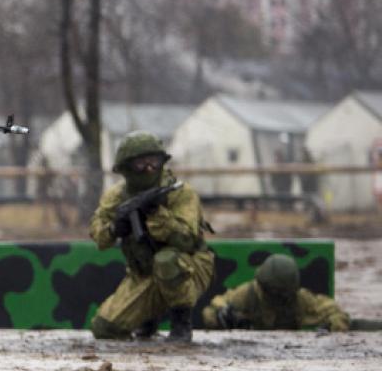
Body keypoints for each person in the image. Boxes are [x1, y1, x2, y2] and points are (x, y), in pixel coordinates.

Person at [89, 131, 215, 342]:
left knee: (166, 261)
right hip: (143, 273)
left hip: (190, 267)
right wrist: (114, 228)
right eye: (141, 164)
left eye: (154, 162)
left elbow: (187, 240)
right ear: (126, 167)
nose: (149, 169)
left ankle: (181, 323)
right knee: (105, 328)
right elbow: (98, 234)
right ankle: (149, 317)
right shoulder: (116, 196)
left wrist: (157, 214)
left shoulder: (180, 193)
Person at [202, 254, 350, 331]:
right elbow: (211, 311)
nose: (277, 297)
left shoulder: (301, 300)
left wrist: (330, 328)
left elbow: (337, 313)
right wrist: (224, 316)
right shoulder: (247, 295)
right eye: (273, 293)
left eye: (282, 294)